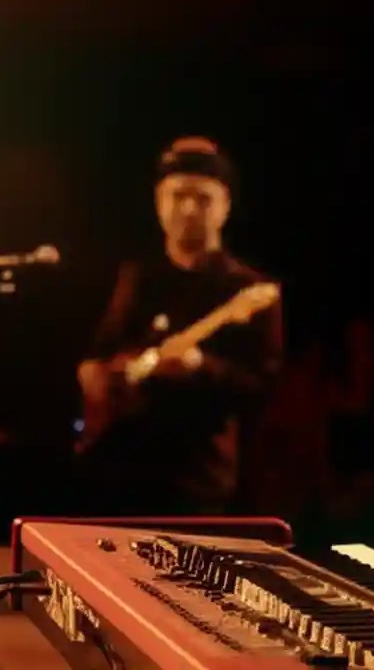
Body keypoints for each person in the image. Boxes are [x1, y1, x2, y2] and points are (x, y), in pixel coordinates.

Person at [74, 136, 283, 515]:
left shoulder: (247, 290)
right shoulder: (138, 276)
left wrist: (202, 367)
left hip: (196, 480)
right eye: (178, 195)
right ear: (158, 203)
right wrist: (95, 377)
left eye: (203, 199)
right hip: (121, 468)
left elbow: (263, 385)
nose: (188, 209)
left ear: (225, 207)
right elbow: (98, 352)